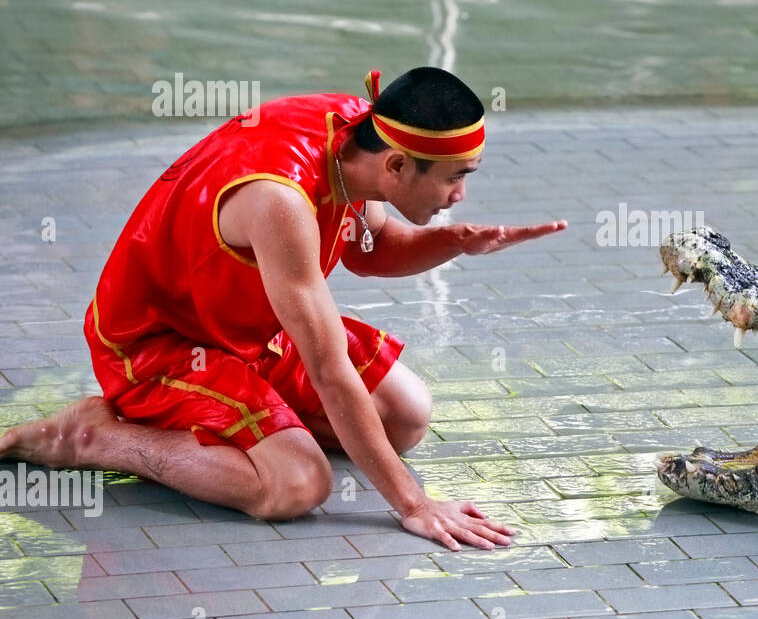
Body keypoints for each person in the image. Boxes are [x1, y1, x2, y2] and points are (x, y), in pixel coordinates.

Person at [0, 67, 567, 551]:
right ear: (396, 166)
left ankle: (251, 425)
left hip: (249, 329)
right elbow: (327, 370)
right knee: (296, 486)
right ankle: (92, 438)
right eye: (454, 178)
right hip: (160, 346)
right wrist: (413, 504)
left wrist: (457, 239)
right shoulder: (280, 199)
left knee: (406, 417)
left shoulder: (358, 136)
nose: (459, 195)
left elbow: (371, 252)